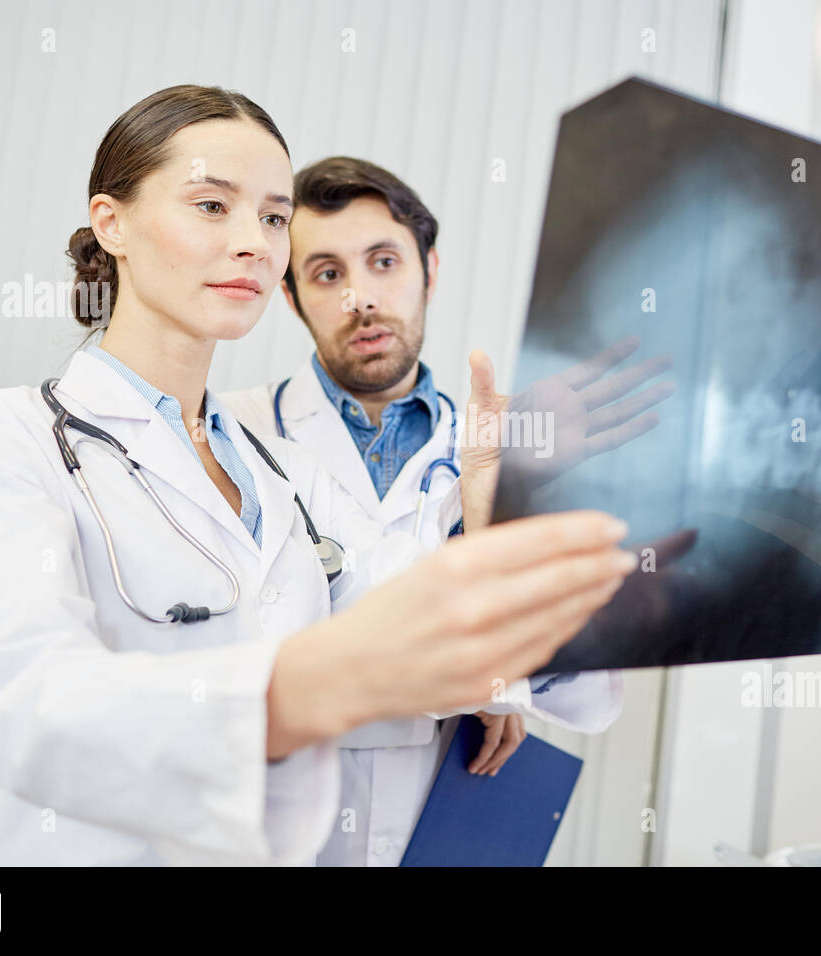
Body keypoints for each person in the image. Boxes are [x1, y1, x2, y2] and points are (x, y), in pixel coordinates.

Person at [0, 85, 638, 866]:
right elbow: (18, 707)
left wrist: (493, 500)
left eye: (273, 216)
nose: (254, 241)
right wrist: (295, 689)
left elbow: (427, 631)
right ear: (111, 223)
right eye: (213, 206)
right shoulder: (5, 437)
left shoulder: (282, 475)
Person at [221, 157, 624, 866]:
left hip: (442, 832)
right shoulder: (235, 434)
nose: (361, 298)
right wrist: (475, 667)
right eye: (327, 274)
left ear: (429, 271)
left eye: (383, 262)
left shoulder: (502, 450)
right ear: (291, 299)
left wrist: (507, 674)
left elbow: (595, 697)